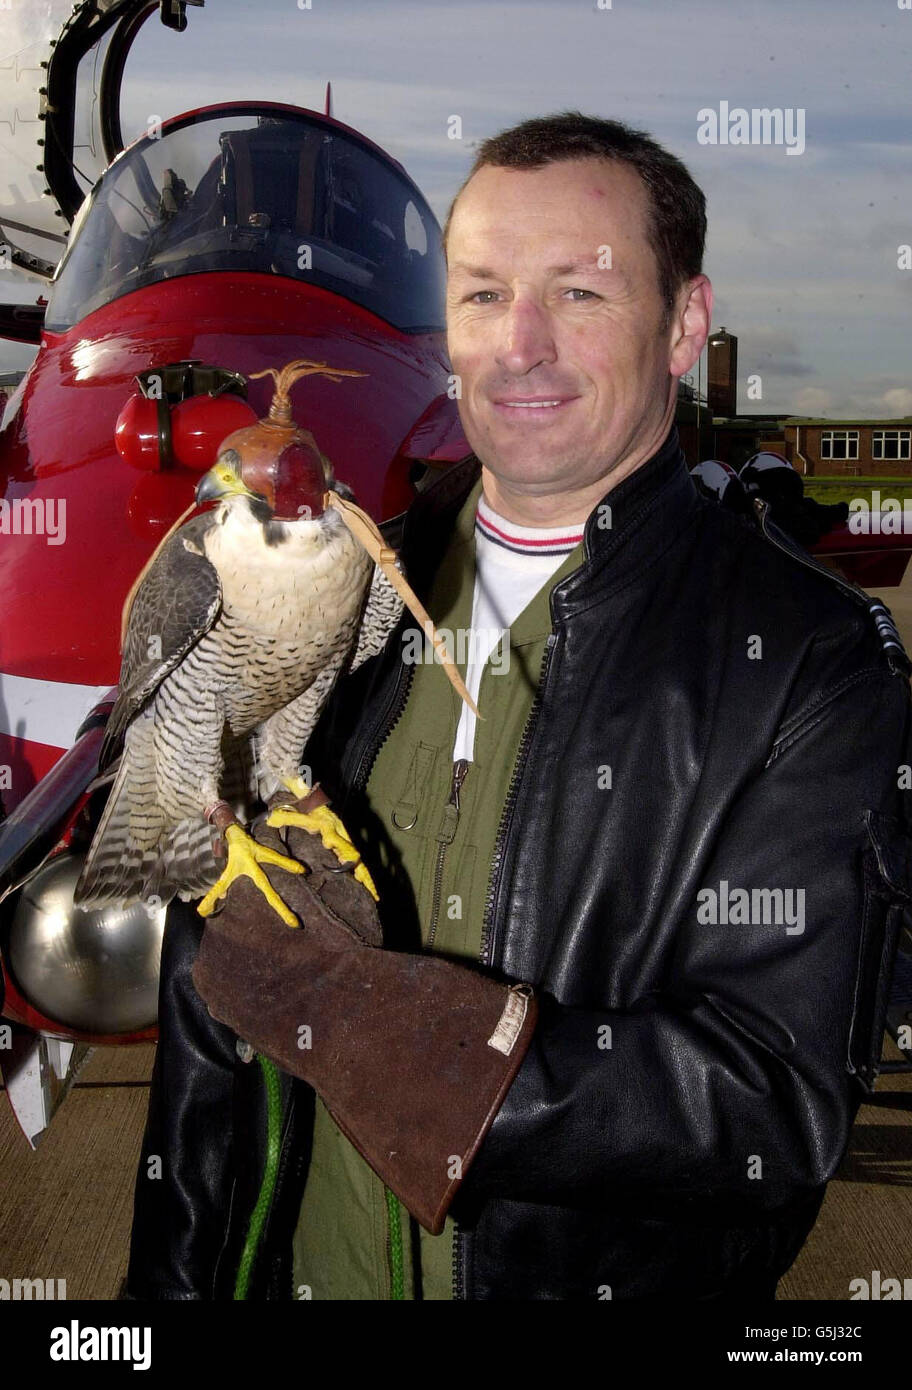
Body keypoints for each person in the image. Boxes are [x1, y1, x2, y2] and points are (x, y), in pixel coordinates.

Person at [125, 112, 912, 1302]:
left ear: (686, 323)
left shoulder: (807, 658)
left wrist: (401, 1045)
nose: (521, 345)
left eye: (581, 296)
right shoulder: (339, 587)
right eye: (484, 295)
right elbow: (218, 996)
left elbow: (773, 1094)